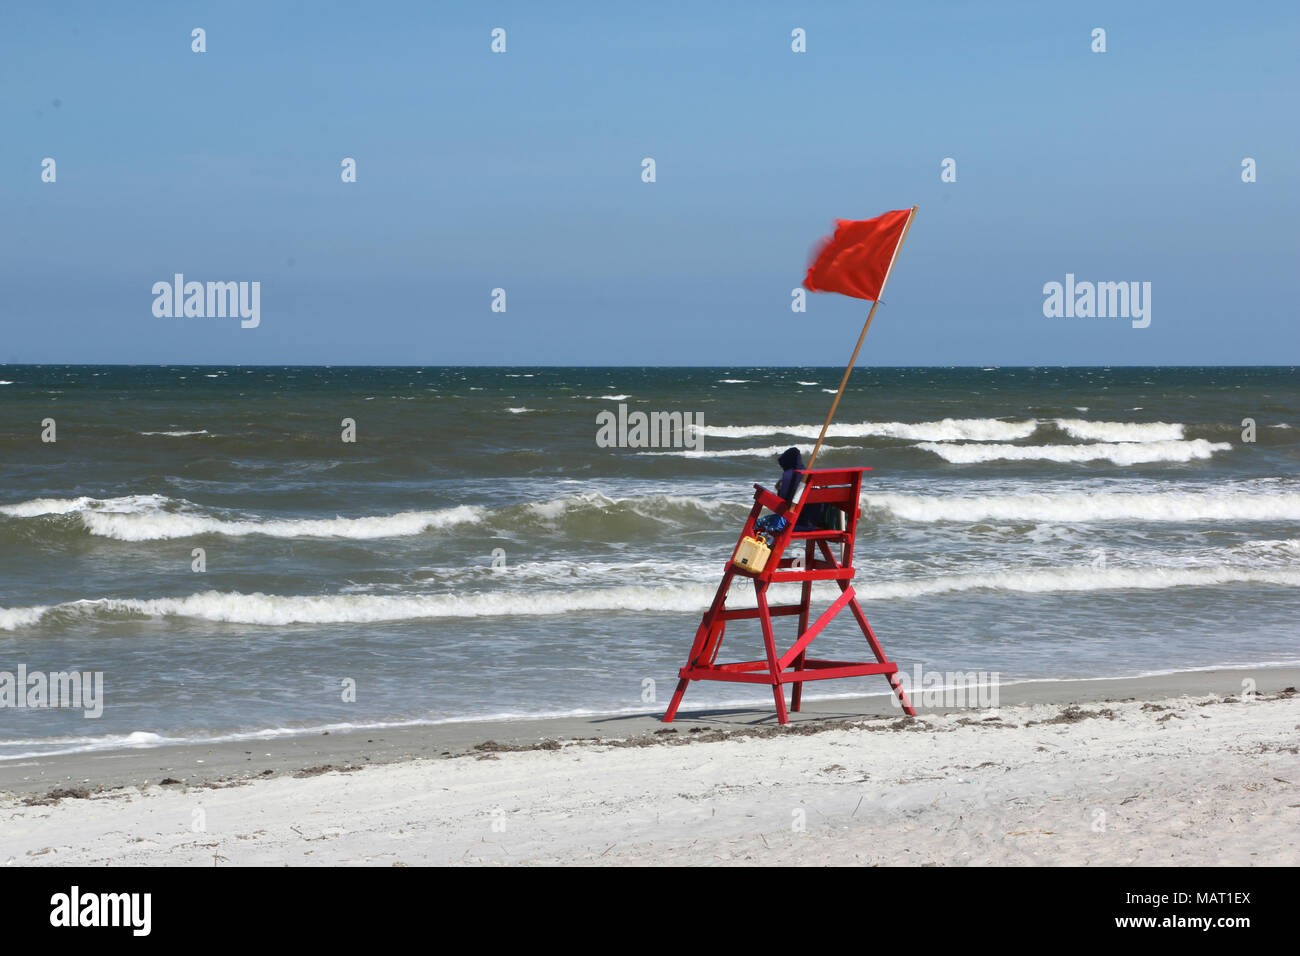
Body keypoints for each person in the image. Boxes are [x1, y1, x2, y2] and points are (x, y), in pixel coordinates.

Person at [753, 447, 823, 545]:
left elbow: (782, 503)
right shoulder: (810, 476)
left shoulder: (790, 475)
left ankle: (760, 555)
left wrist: (779, 488)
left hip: (795, 523)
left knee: (757, 523)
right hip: (814, 523)